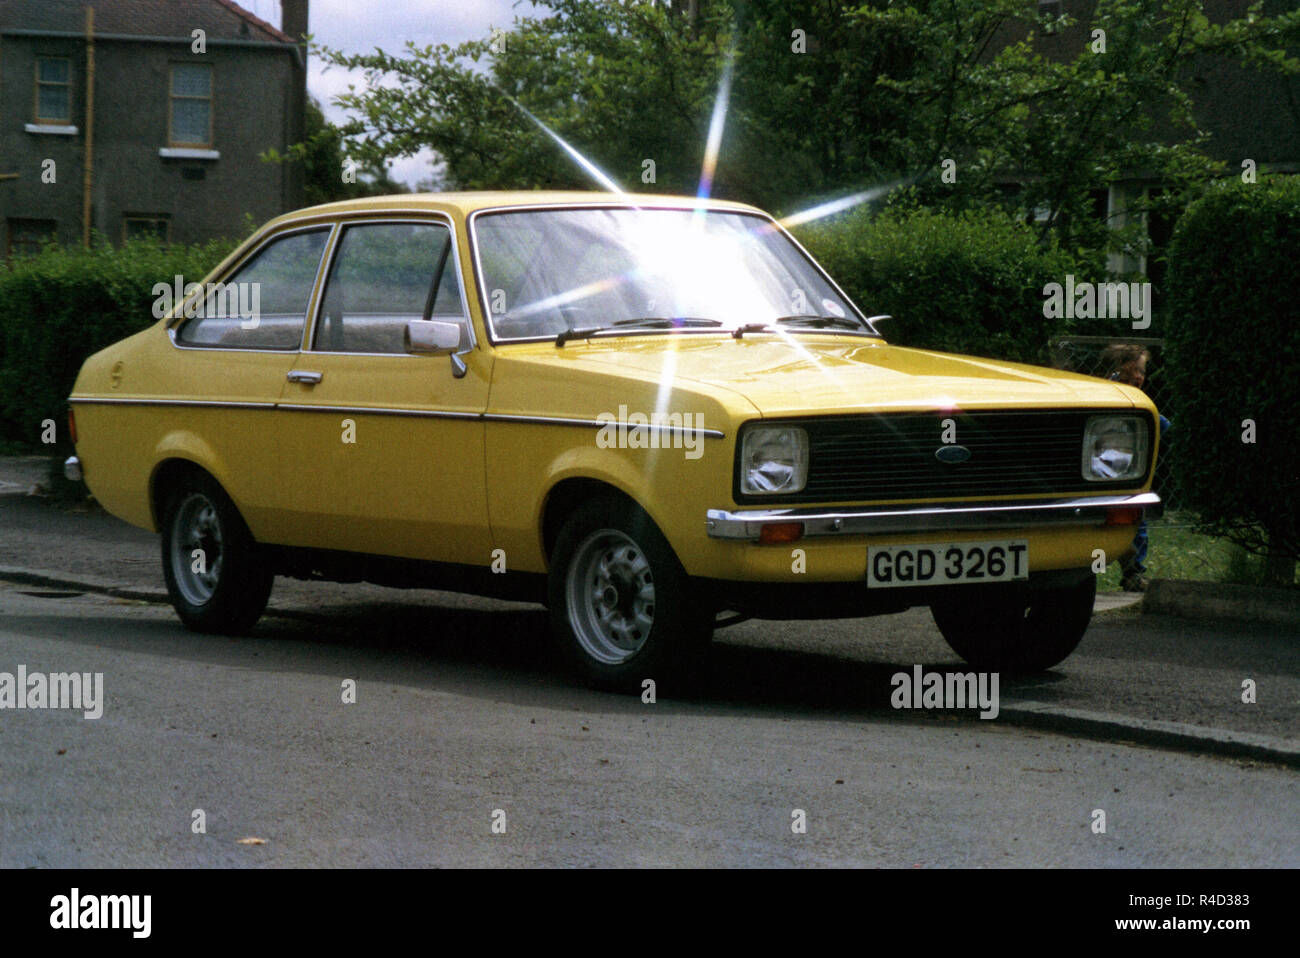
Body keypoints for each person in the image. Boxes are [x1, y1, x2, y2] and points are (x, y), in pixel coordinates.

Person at [1101, 344, 1171, 591]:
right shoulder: (1103, 397)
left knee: (1137, 523)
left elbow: (1160, 425)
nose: (1136, 378)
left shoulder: (1142, 404)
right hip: (1101, 472)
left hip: (1132, 475)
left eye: (1140, 372)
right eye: (1127, 374)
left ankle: (1133, 571)